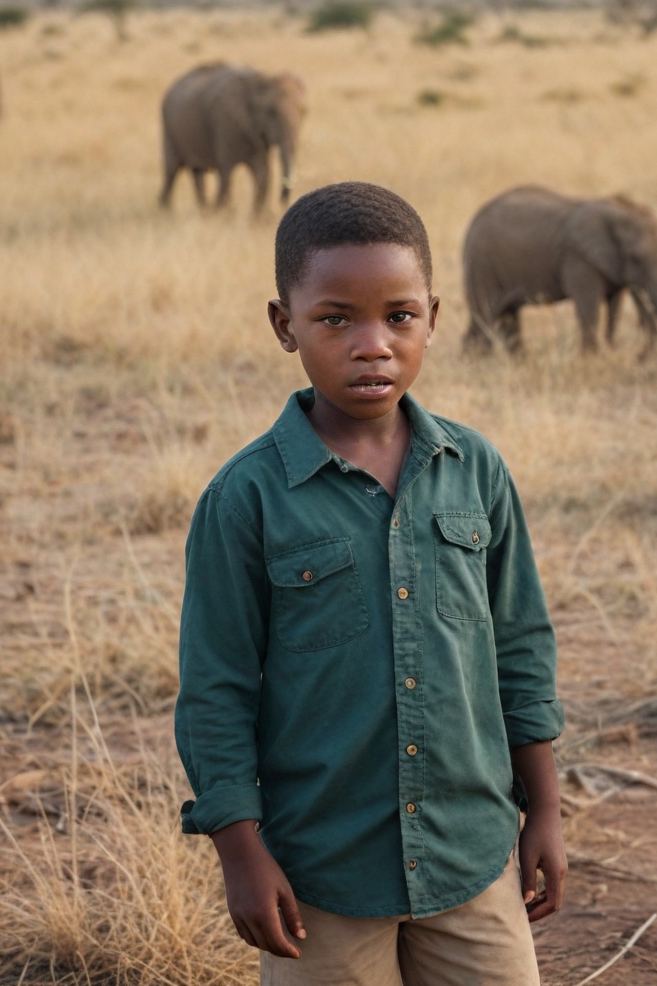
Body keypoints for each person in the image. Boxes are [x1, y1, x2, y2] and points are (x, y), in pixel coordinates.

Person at [176, 181, 565, 985]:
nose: (372, 345)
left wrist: (547, 810)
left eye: (398, 316)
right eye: (334, 319)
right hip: (322, 875)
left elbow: (521, 647)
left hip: (471, 854)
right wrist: (239, 850)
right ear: (285, 326)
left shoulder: (476, 470)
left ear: (433, 317)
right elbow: (215, 689)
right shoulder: (245, 497)